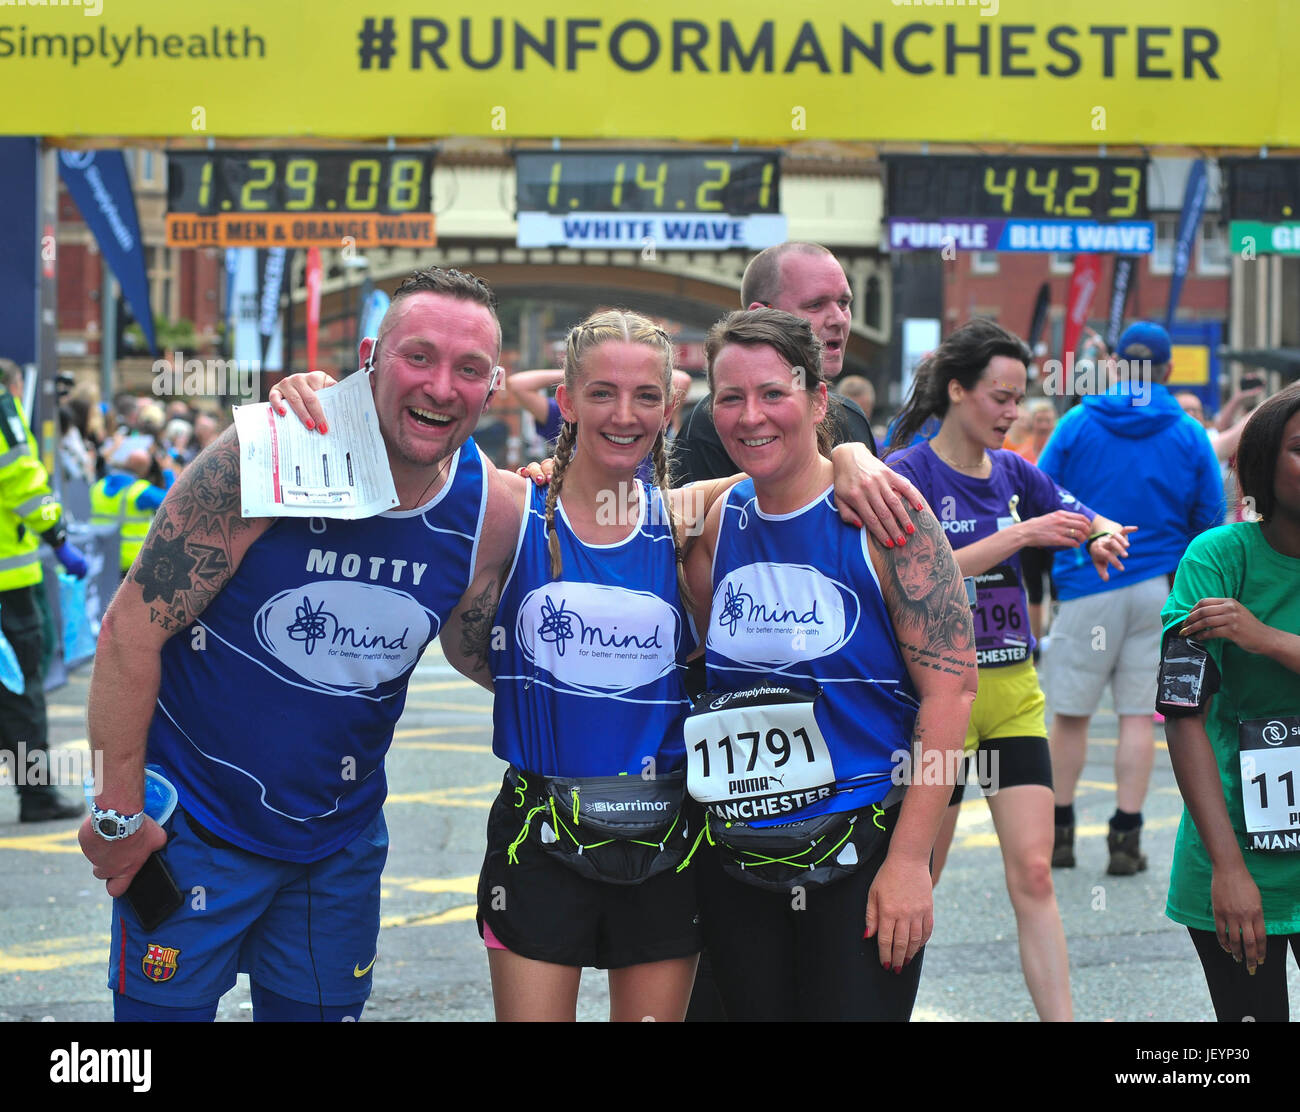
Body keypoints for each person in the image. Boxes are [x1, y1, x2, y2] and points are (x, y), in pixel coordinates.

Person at [268, 313, 922, 1024]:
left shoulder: (686, 520)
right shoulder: (511, 510)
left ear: (669, 411)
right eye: (602, 393)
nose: (625, 414)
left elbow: (792, 469)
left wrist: (856, 455)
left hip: (668, 842)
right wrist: (319, 398)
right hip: (539, 839)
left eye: (646, 397)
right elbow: (412, 454)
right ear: (566, 401)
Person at [79, 267, 524, 1022]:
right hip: (195, 829)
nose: (442, 386)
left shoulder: (497, 510)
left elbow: (482, 653)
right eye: (419, 357)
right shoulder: (275, 451)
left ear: (494, 386)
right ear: (370, 357)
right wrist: (120, 816)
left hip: (337, 848)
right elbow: (131, 629)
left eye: (469, 369)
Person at [683, 308, 978, 1020]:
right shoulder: (712, 525)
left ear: (818, 401)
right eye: (730, 398)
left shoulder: (887, 523)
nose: (751, 416)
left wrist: (911, 861)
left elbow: (953, 698)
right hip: (736, 860)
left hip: (861, 850)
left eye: (773, 394)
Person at [885, 319, 1134, 1021]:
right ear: (956, 390)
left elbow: (1082, 514)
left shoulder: (1017, 473)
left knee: (1032, 872)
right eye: (999, 397)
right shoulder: (905, 475)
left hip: (1013, 694)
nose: (1011, 412)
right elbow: (909, 583)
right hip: (937, 705)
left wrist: (1103, 531)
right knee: (917, 881)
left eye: (1018, 398)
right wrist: (1020, 535)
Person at [1038, 322, 1225, 875]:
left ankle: (1061, 834)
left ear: (1116, 364)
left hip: (1086, 579)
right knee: (1138, 718)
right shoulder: (1189, 433)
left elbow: (1040, 494)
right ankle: (1126, 836)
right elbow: (1211, 520)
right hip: (1158, 589)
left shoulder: (1077, 422)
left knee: (1069, 717)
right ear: (1168, 370)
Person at [1162, 383, 1300, 1021]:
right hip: (1240, 854)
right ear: (1263, 463)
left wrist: (1265, 638)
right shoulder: (1216, 557)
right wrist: (1227, 867)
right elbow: (1182, 711)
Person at [673, 242, 877, 484]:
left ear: (821, 402)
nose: (839, 319)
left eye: (844, 303)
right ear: (760, 314)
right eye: (816, 305)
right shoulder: (710, 427)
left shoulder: (851, 419)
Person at [0, 358, 88, 822]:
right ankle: (36, 796)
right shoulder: (2, 408)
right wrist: (59, 538)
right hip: (9, 586)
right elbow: (24, 483)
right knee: (21, 692)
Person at [90, 448, 169, 575]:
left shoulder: (97, 486)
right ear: (145, 470)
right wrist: (167, 472)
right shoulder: (140, 491)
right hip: (133, 564)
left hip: (103, 559)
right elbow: (174, 502)